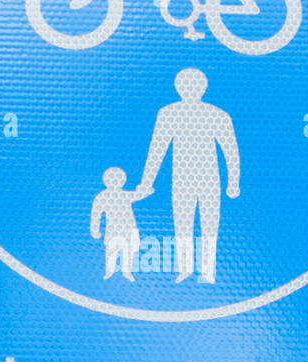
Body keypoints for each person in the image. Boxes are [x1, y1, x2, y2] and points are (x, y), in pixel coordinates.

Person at [134, 68, 239, 283]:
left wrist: (233, 181)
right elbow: (157, 149)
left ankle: (208, 271)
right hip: (182, 179)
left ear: (203, 87)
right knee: (182, 225)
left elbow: (230, 150)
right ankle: (186, 269)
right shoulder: (168, 113)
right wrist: (146, 182)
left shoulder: (217, 115)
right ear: (178, 87)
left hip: (209, 179)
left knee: (210, 225)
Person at [90, 167, 141, 281]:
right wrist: (94, 230)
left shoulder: (124, 194)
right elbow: (96, 214)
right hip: (112, 230)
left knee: (128, 251)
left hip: (128, 230)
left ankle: (127, 272)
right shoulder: (102, 196)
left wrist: (145, 190)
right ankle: (109, 272)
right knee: (112, 251)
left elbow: (138, 195)